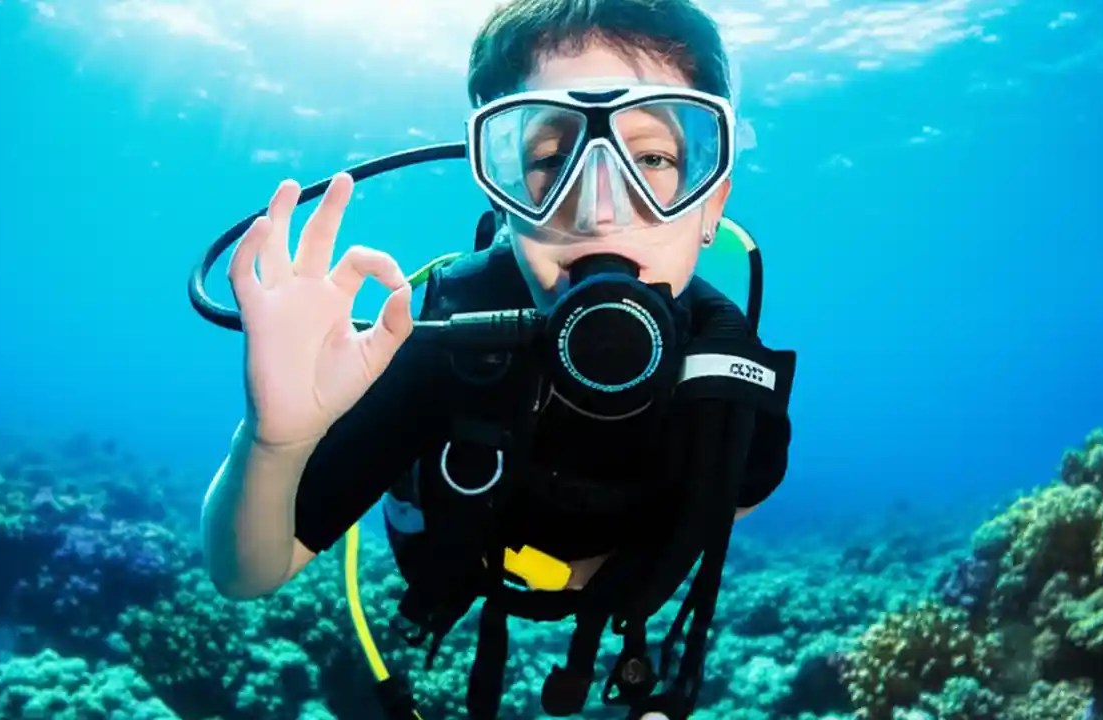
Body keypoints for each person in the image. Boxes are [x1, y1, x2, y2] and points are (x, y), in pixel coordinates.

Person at [199, 1, 798, 718]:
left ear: (710, 204)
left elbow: (729, 502)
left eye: (654, 159)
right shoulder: (440, 347)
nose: (599, 206)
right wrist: (276, 442)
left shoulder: (731, 388)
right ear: (499, 192)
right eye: (549, 158)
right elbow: (246, 574)